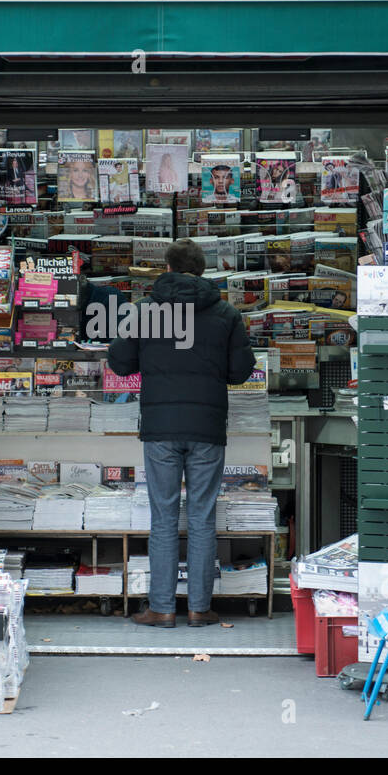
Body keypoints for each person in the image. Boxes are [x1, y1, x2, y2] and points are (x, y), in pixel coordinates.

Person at [108, 239, 256, 627]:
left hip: (160, 430)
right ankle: (199, 608)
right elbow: (240, 371)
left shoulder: (146, 311)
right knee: (203, 517)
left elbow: (120, 363)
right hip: (207, 429)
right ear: (203, 269)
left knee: (164, 518)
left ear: (169, 268)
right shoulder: (225, 312)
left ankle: (161, 608)